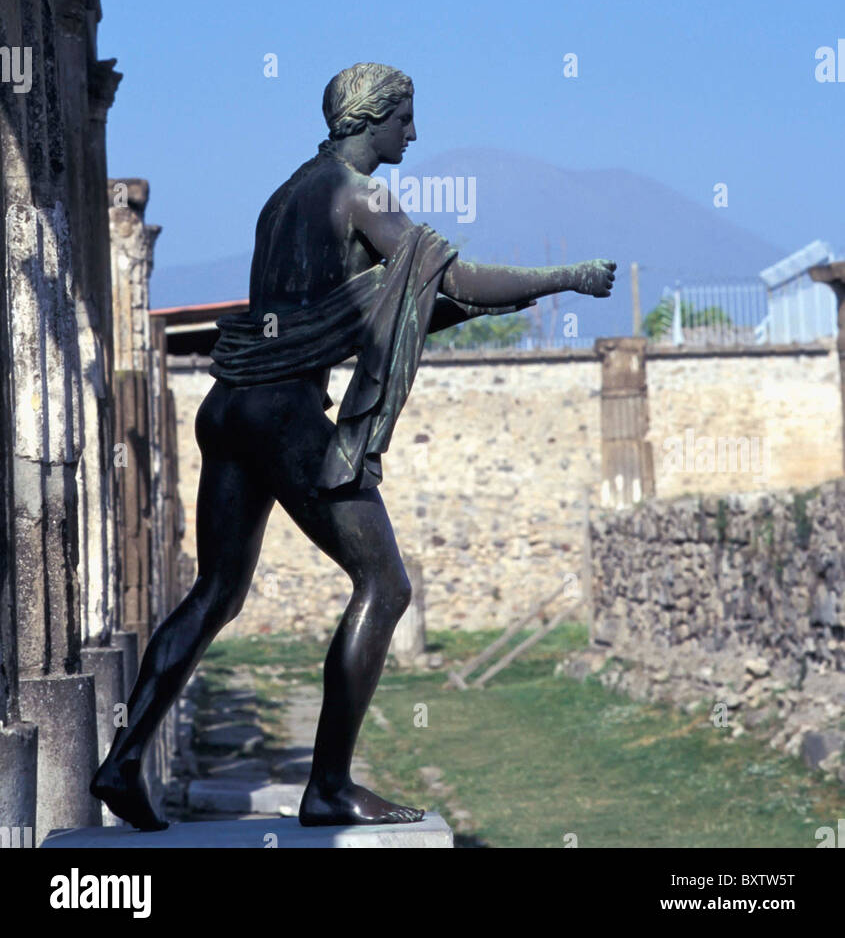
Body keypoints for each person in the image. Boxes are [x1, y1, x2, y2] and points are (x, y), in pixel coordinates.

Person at [91, 62, 616, 830]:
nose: (413, 132)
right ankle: (329, 783)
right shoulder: (359, 195)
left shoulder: (283, 197)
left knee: (216, 592)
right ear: (371, 118)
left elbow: (388, 307)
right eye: (405, 118)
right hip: (282, 414)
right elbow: (455, 280)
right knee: (385, 584)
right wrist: (563, 276)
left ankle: (122, 759)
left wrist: (449, 300)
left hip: (229, 403)